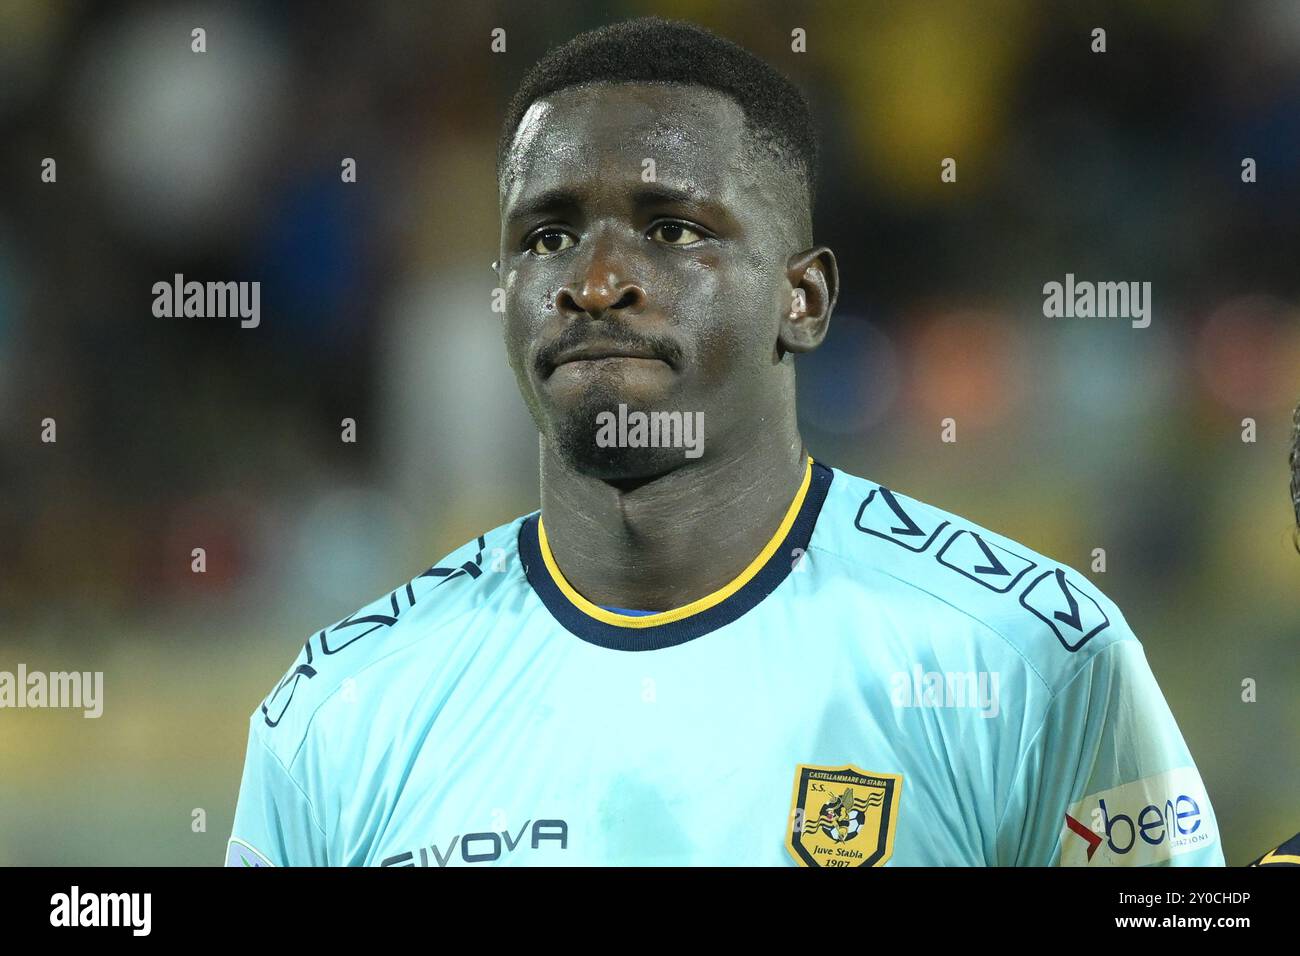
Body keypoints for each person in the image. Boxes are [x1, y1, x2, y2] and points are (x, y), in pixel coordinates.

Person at [227, 16, 1223, 867]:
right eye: (545, 235)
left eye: (669, 229)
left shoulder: (1032, 660)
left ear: (804, 297)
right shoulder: (340, 713)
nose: (594, 278)